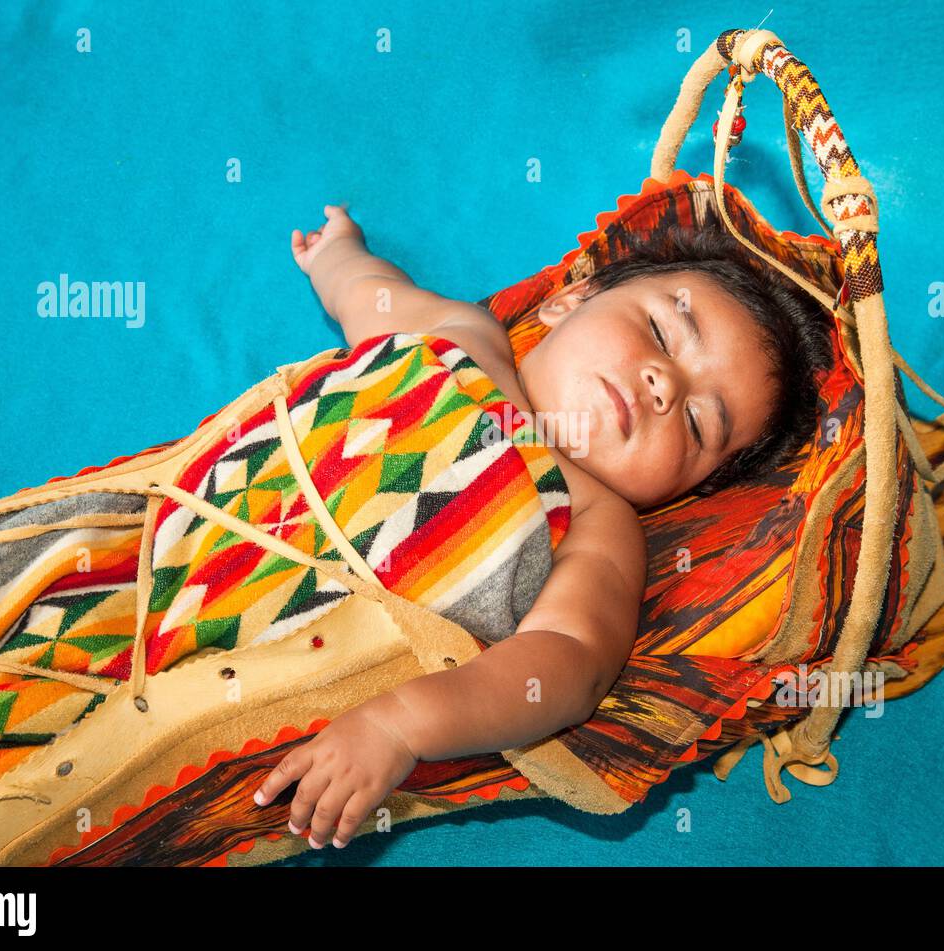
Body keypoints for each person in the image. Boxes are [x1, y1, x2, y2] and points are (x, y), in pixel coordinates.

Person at [253, 204, 833, 849]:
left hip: (263, 656)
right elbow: (368, 297)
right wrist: (335, 254)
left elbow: (568, 663)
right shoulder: (458, 337)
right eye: (663, 334)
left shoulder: (598, 525)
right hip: (177, 533)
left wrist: (402, 725)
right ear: (570, 300)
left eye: (699, 425)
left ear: (685, 490)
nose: (663, 384)